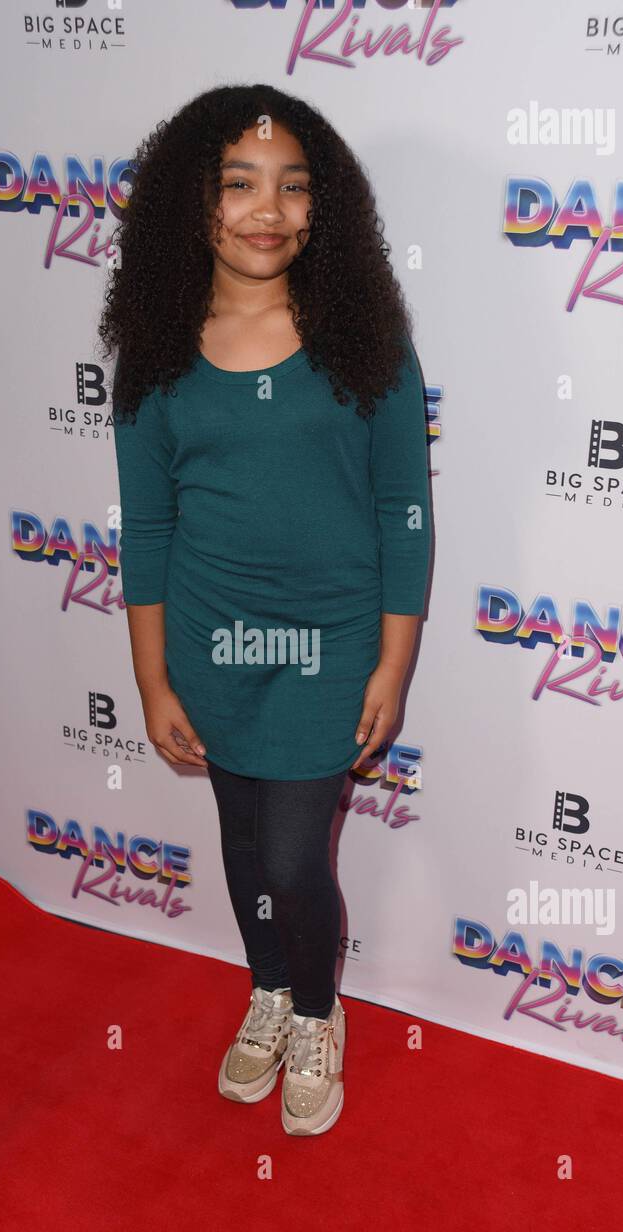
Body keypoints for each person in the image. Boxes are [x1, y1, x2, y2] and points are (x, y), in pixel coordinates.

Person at [100, 83, 432, 1138]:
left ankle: (319, 1012)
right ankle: (269, 990)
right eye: (240, 184)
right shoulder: (154, 354)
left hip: (331, 648)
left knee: (296, 861)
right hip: (210, 641)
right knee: (246, 851)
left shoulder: (364, 340)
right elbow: (146, 528)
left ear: (321, 208)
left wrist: (393, 664)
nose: (267, 210)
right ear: (191, 205)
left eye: (293, 188)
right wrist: (153, 677)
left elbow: (403, 511)